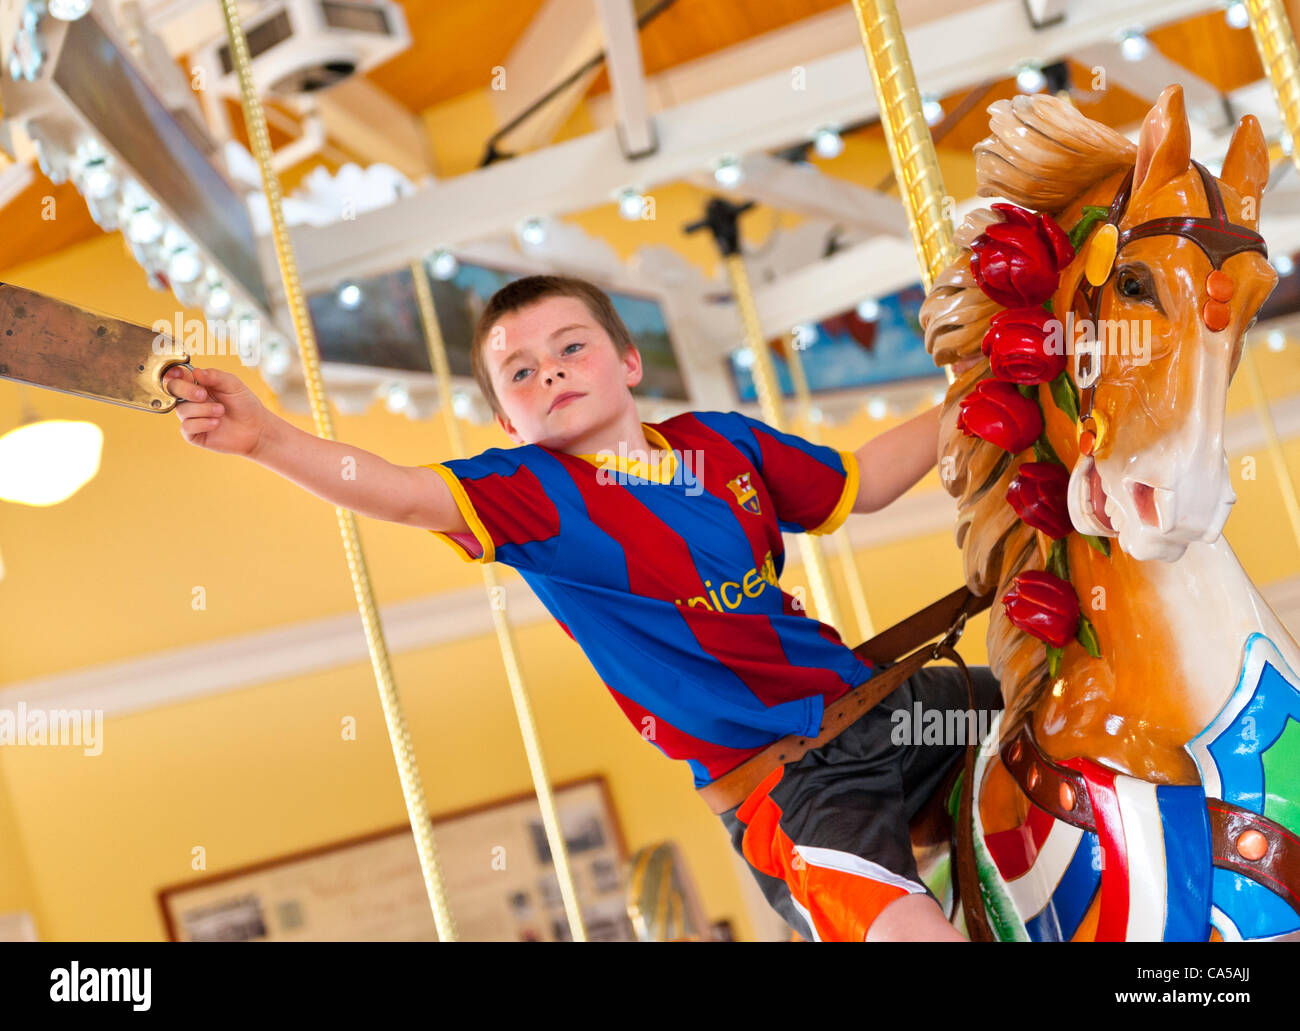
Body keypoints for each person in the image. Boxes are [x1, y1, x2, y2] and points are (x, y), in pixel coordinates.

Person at [164, 274, 1001, 942]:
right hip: (793, 787)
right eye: (521, 372)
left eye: (571, 348)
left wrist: (980, 387)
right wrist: (267, 437)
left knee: (1085, 708)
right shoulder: (531, 494)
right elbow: (399, 492)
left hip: (887, 704)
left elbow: (864, 482)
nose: (550, 371)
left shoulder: (722, 444)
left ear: (628, 362)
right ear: (505, 417)